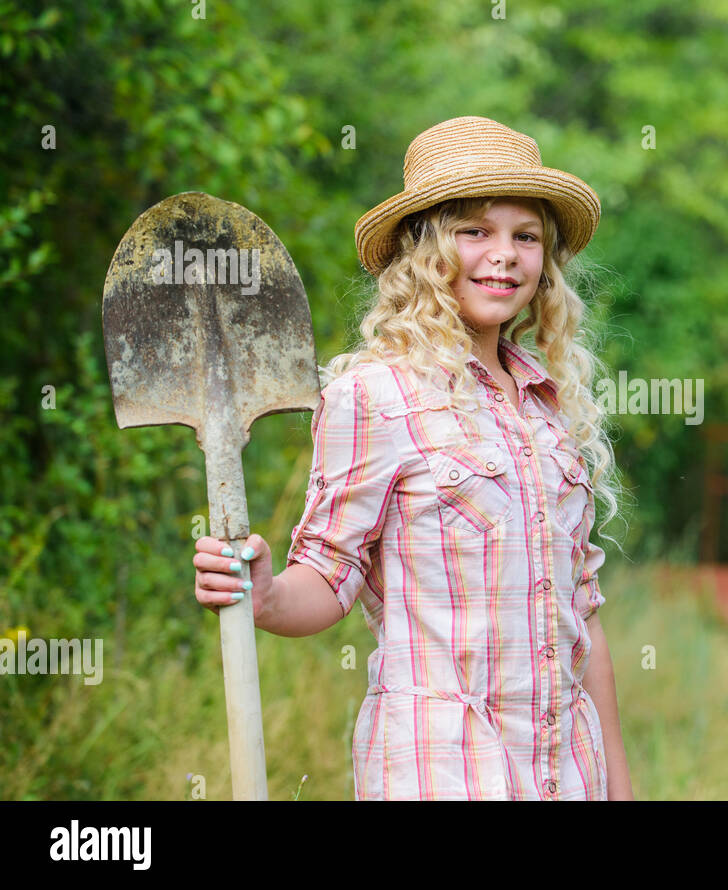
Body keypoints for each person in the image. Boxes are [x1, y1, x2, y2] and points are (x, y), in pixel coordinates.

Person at [193, 116, 632, 800]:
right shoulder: (374, 394)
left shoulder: (549, 408)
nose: (505, 255)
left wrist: (618, 790)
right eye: (475, 232)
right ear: (424, 250)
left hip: (564, 772)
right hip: (442, 771)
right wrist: (266, 594)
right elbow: (327, 575)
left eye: (526, 237)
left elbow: (584, 620)